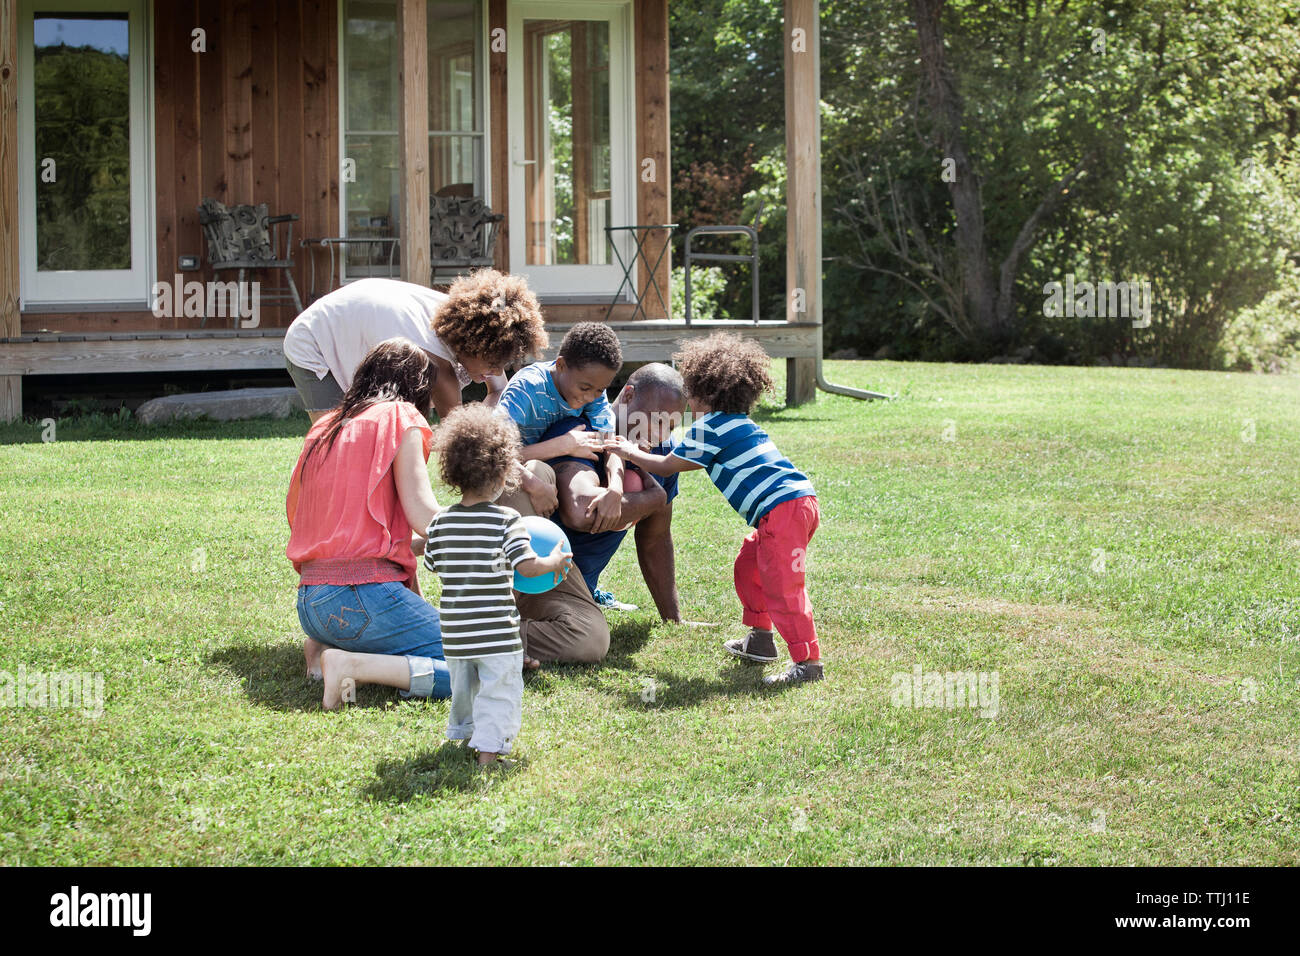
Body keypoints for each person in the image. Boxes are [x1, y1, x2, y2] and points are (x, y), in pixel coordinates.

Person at [608, 333, 823, 686]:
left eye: (690, 391)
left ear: (705, 393)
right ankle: (760, 639)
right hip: (794, 506)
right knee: (750, 564)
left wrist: (628, 451)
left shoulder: (710, 427)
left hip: (783, 510)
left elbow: (666, 466)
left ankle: (808, 663)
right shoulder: (735, 424)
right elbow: (674, 457)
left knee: (784, 585)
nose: (687, 401)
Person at [283, 271, 558, 517]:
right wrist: (533, 484)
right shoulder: (438, 361)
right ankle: (338, 526)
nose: (495, 371)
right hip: (315, 340)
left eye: (503, 364)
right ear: (472, 347)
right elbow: (469, 443)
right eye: (492, 364)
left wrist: (489, 417)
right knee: (341, 447)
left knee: (393, 444)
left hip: (364, 321)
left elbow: (499, 392)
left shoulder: (484, 331)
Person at [286, 339, 449, 710]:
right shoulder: (401, 416)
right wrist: (483, 526)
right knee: (477, 661)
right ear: (418, 389)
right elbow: (423, 516)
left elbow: (351, 537)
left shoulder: (327, 425)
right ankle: (351, 664)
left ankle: (322, 651)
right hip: (362, 598)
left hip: (312, 605)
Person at [505, 364, 692, 664]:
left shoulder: (659, 458)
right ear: (628, 396)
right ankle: (485, 634)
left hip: (570, 591)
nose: (660, 435)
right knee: (531, 474)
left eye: (670, 426)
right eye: (656, 420)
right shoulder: (579, 431)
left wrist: (673, 619)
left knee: (589, 638)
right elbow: (581, 512)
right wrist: (651, 497)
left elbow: (655, 539)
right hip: (534, 572)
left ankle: (496, 638)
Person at [423, 404, 573, 768]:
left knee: (465, 690)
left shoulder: (442, 521)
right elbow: (528, 566)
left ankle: (467, 734)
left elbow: (432, 562)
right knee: (499, 690)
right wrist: (554, 562)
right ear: (505, 469)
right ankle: (489, 754)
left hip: (456, 633)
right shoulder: (507, 519)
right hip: (496, 634)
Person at [493, 322, 627, 531]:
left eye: (599, 390)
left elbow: (609, 443)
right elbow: (492, 455)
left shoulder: (593, 392)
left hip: (553, 476)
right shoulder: (527, 388)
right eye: (585, 388)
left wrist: (616, 489)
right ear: (561, 365)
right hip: (517, 476)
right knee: (537, 471)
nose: (590, 397)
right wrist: (561, 448)